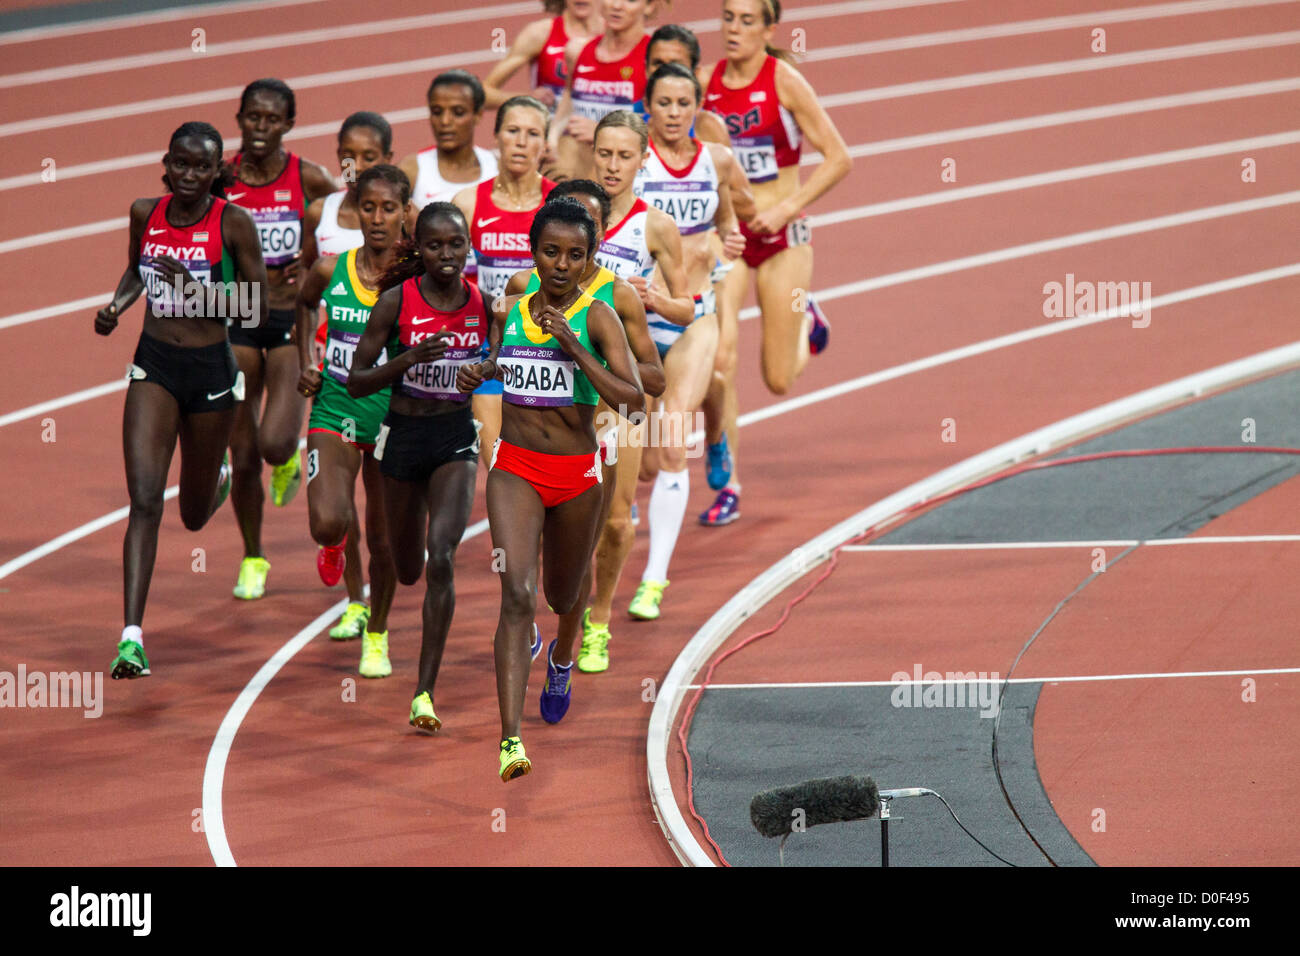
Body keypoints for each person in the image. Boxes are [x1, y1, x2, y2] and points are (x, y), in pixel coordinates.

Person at [457, 198, 644, 781]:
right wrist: (480, 370)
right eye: (550, 252)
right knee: (517, 593)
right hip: (514, 467)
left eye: (575, 255)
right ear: (532, 252)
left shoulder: (599, 317)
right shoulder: (510, 306)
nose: (561, 264)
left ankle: (562, 657)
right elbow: (502, 362)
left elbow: (633, 399)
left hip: (576, 475)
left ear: (590, 260)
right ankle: (510, 742)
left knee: (565, 597)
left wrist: (575, 347)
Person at [96, 121, 268, 678]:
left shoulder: (233, 223)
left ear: (217, 171)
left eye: (201, 166)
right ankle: (131, 638)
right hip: (156, 364)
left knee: (192, 517)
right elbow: (136, 270)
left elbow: (255, 309)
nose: (190, 175)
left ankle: (216, 475)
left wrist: (196, 291)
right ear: (165, 165)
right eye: (181, 164)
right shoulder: (145, 212)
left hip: (211, 372)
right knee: (145, 499)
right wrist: (117, 307)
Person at [698, 0, 852, 527]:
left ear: (768, 27)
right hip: (732, 238)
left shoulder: (784, 81)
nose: (734, 29)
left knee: (779, 378)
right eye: (728, 18)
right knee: (720, 360)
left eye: (747, 20)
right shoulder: (704, 83)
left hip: (786, 238)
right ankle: (729, 484)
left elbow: (839, 156)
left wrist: (787, 206)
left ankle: (808, 318)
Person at [348, 202, 486, 730]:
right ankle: (382, 620)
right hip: (402, 438)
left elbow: (504, 352)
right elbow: (357, 380)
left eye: (456, 244)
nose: (446, 255)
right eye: (435, 245)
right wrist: (408, 359)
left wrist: (485, 368)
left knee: (442, 557)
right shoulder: (393, 302)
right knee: (407, 568)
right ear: (418, 247)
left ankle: (424, 693)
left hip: (454, 438)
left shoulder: (481, 303)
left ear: (468, 245)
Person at [572, 109, 691, 674]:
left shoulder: (655, 226)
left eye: (625, 156)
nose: (613, 165)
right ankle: (546, 614)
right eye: (605, 153)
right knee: (555, 513)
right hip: (560, 381)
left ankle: (598, 622)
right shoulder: (567, 213)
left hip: (618, 388)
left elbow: (687, 307)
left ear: (644, 160)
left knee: (617, 519)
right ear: (592, 153)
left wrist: (653, 299)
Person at [626, 62, 745, 621]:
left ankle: (653, 580)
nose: (674, 113)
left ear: (698, 106)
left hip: (694, 311)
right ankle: (714, 422)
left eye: (684, 102)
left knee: (673, 437)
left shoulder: (716, 158)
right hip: (635, 319)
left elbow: (732, 211)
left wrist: (731, 235)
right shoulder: (633, 161)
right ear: (648, 105)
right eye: (664, 103)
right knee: (645, 465)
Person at [225, 78, 336, 597]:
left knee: (272, 444)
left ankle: (288, 459)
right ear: (239, 119)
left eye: (273, 118)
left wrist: (312, 258)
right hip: (239, 318)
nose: (261, 127)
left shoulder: (308, 179)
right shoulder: (221, 179)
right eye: (253, 117)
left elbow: (345, 223)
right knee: (242, 454)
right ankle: (253, 556)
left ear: (290, 124)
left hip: (290, 322)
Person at [296, 166, 408, 675]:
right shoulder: (330, 269)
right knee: (328, 519)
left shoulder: (417, 275)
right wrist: (306, 361)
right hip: (336, 406)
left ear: (406, 212)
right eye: (369, 207)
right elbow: (302, 306)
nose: (378, 218)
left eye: (389, 208)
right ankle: (340, 553)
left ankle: (376, 629)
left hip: (393, 417)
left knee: (386, 540)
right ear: (354, 209)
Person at [452, 94, 556, 468]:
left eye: (532, 134)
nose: (521, 142)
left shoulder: (557, 204)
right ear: (495, 138)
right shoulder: (468, 203)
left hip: (547, 343)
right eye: (512, 131)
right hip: (489, 344)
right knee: (499, 462)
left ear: (545, 144)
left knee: (546, 463)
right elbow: (448, 277)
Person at [547, 0, 661, 181]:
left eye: (630, 0)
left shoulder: (654, 59)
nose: (617, 6)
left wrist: (602, 132)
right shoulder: (577, 50)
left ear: (649, 6)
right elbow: (569, 97)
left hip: (628, 175)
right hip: (580, 168)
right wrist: (551, 138)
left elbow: (663, 127)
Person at [481, 0, 603, 111]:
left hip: (604, 132)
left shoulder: (616, 35)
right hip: (551, 132)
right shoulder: (540, 33)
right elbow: (484, 94)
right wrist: (527, 99)